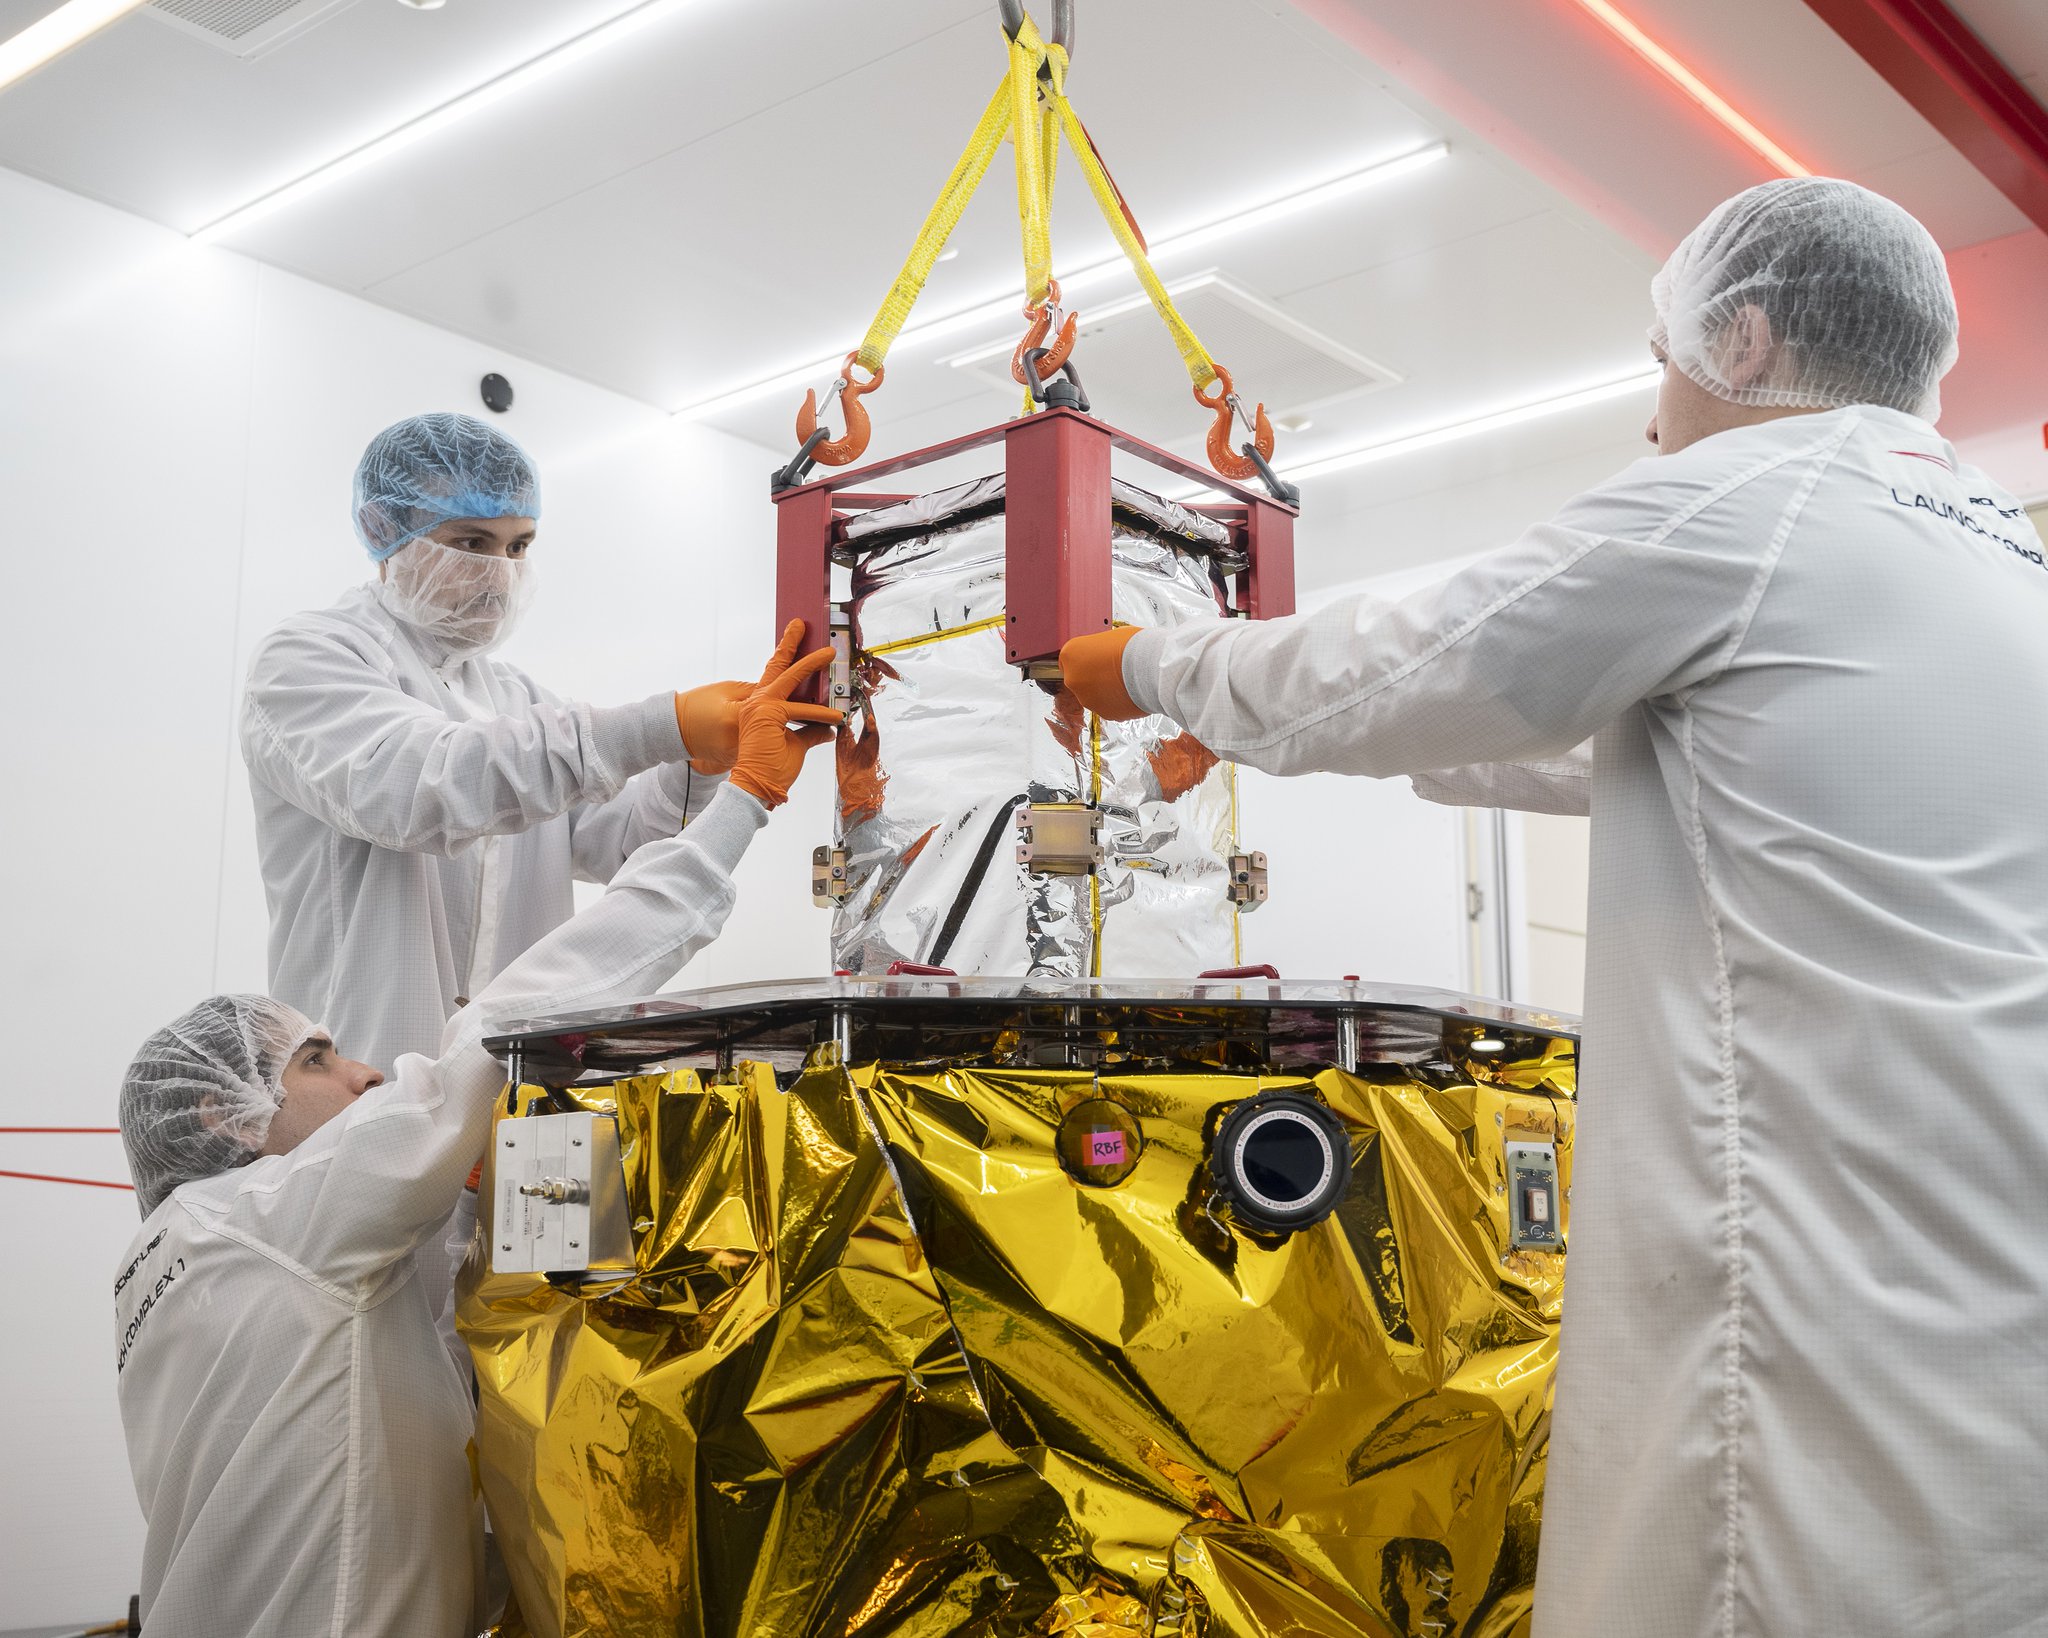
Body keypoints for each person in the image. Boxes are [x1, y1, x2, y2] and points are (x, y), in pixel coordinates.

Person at [1060, 178, 2048, 1637]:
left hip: (1807, 1293)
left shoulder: (1744, 497)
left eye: (1663, 363)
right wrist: (1292, 738)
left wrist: (1148, 664)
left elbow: (1412, 660)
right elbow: (1674, 755)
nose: (1655, 415)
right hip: (1986, 1284)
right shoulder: (1994, 551)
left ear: (1749, 335)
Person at [112, 640, 837, 1638]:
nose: (365, 1071)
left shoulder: (182, 1255)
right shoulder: (281, 1218)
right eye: (320, 1058)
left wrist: (683, 772)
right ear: (219, 1113)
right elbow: (509, 1020)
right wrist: (741, 802)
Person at [242, 411, 785, 1079]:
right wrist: (656, 727)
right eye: (472, 543)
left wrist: (696, 766)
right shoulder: (310, 657)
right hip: (354, 1080)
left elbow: (625, 846)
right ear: (386, 532)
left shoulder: (518, 699)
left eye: (519, 546)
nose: (500, 575)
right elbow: (415, 789)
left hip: (502, 1083)